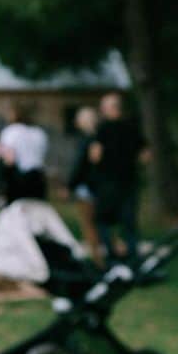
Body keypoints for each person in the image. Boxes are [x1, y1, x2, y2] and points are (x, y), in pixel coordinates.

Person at [89, 91, 147, 265]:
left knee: (103, 220)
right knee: (129, 222)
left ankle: (111, 255)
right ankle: (132, 256)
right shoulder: (133, 127)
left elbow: (95, 156)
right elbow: (145, 155)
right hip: (129, 180)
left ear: (111, 108)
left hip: (108, 182)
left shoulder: (103, 129)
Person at [67, 105, 103, 264]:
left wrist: (70, 185)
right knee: (100, 224)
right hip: (99, 186)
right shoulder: (100, 139)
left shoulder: (87, 141)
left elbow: (80, 166)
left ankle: (98, 260)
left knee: (89, 224)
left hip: (87, 187)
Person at [0, 99, 48, 204]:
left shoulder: (11, 131)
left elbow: (9, 159)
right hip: (38, 178)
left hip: (19, 179)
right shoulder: (39, 132)